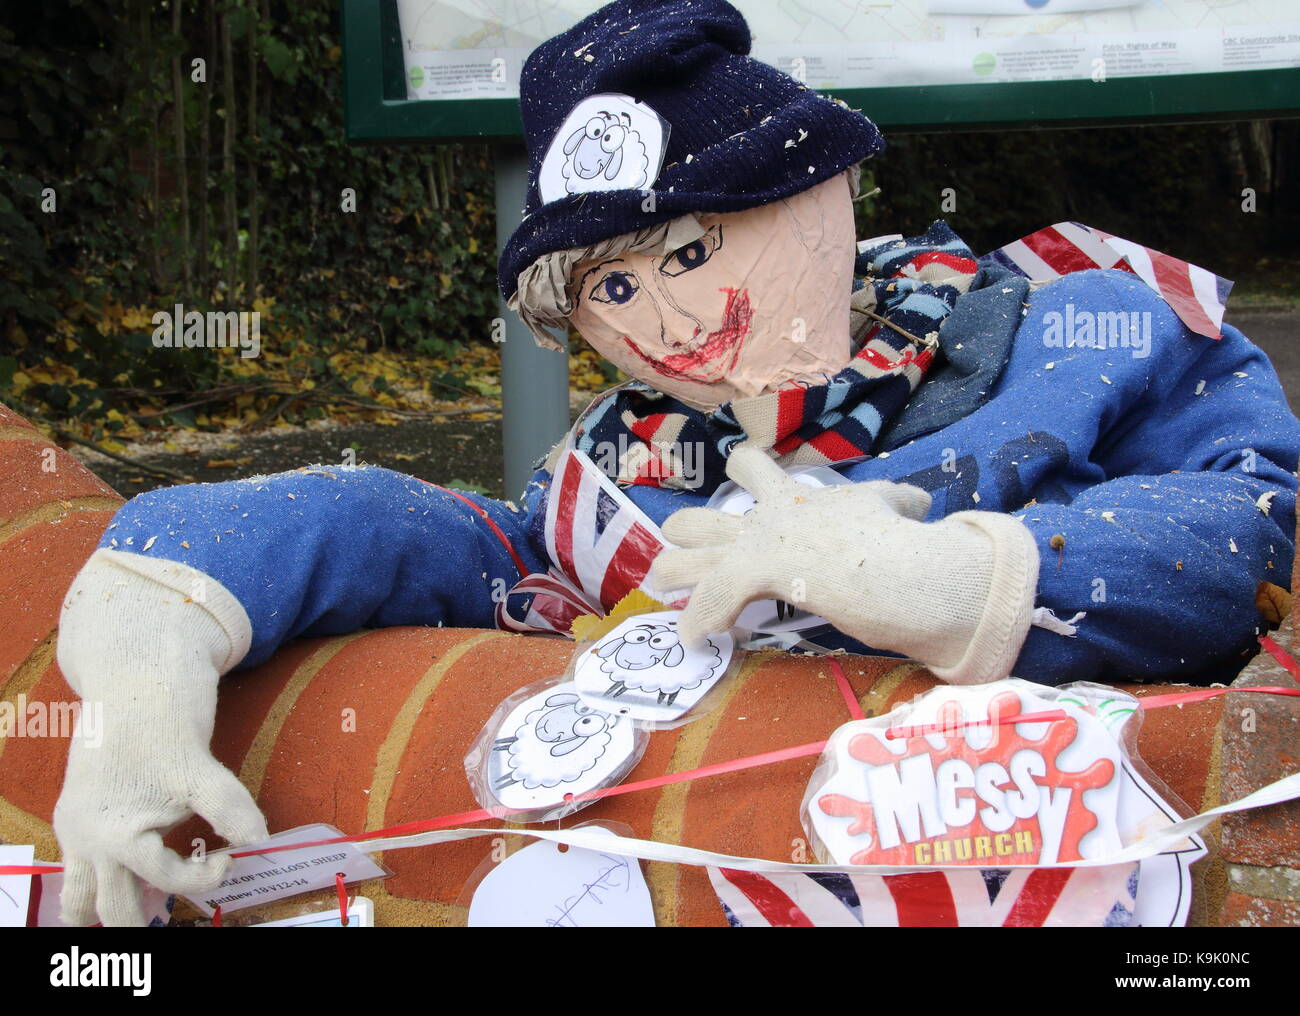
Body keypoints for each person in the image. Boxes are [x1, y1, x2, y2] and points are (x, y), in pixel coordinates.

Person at [52, 0, 1299, 926]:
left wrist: (958, 577)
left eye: (694, 251)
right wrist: (148, 617)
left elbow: (1258, 525)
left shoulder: (1076, 325)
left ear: (822, 186)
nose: (659, 321)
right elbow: (418, 534)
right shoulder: (611, 473)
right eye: (609, 285)